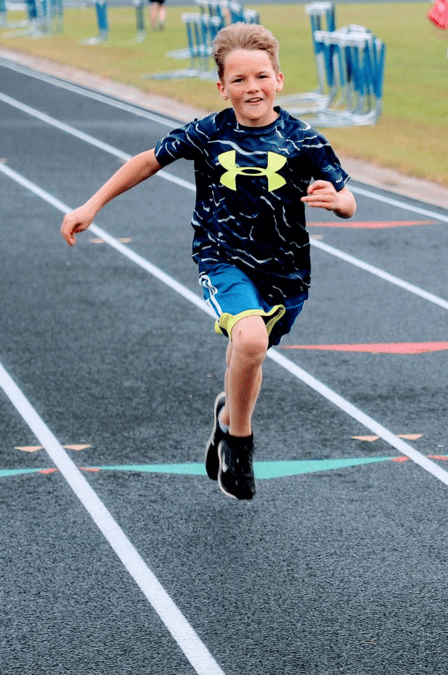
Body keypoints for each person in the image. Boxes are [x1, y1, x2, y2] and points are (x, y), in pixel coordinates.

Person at [60, 23, 357, 500]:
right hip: (222, 259)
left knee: (250, 353)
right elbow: (147, 160)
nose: (252, 88)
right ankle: (240, 446)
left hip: (286, 272)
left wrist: (338, 202)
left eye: (261, 76)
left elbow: (348, 200)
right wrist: (91, 205)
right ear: (222, 87)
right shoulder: (209, 132)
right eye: (238, 80)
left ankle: (225, 421)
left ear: (279, 80)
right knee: (251, 339)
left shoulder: (304, 140)